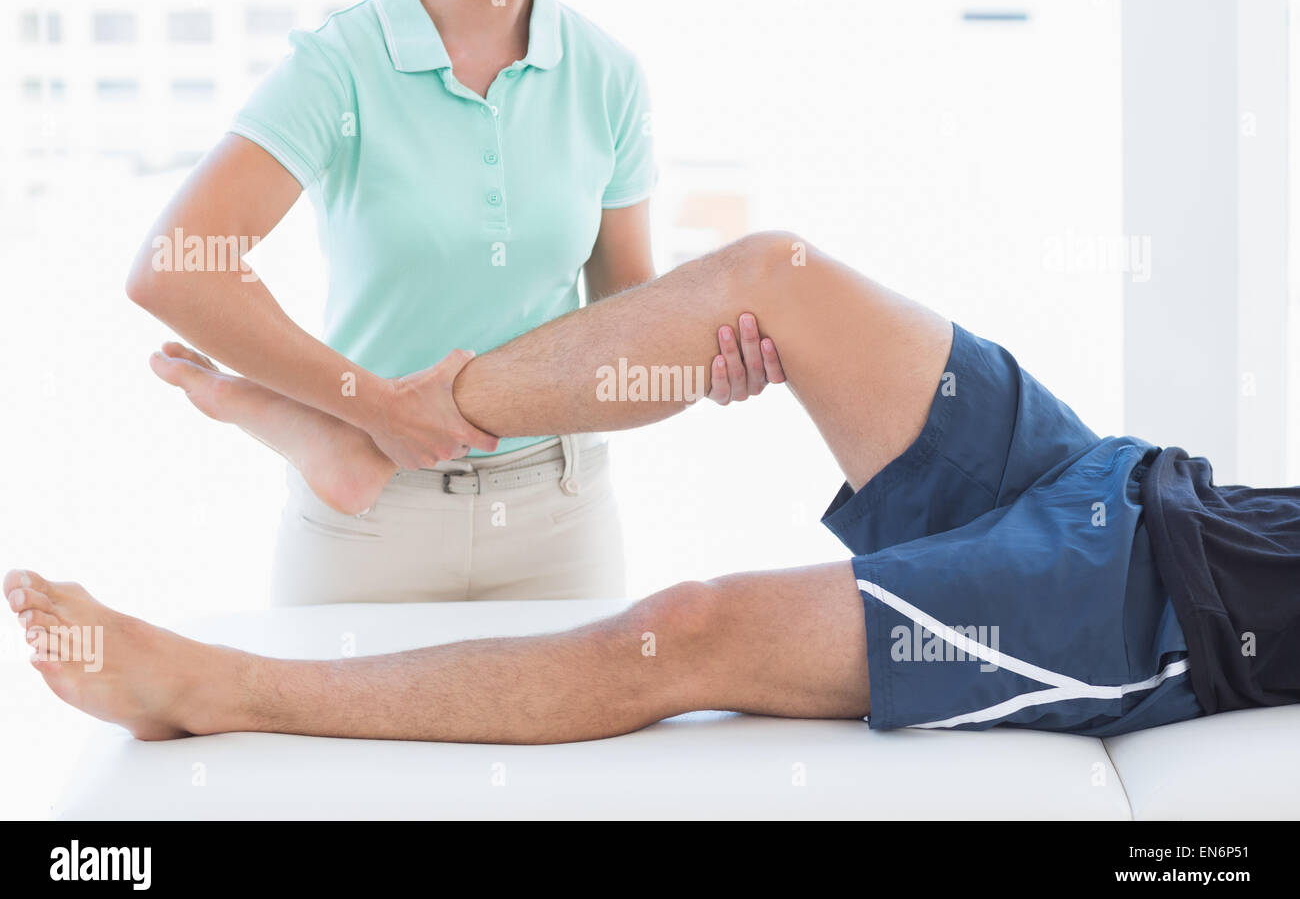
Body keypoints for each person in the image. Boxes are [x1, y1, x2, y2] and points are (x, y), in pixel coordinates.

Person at [12, 232, 1299, 742]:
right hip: (1135, 484)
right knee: (773, 279)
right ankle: (381, 423)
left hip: (1153, 609)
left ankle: (212, 685)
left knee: (678, 629)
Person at [125, 0, 778, 606]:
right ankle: (333, 442)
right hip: (373, 525)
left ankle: (310, 431)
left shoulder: (606, 74)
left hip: (558, 515)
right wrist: (375, 409)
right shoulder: (341, 64)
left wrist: (701, 359)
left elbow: (627, 310)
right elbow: (175, 269)